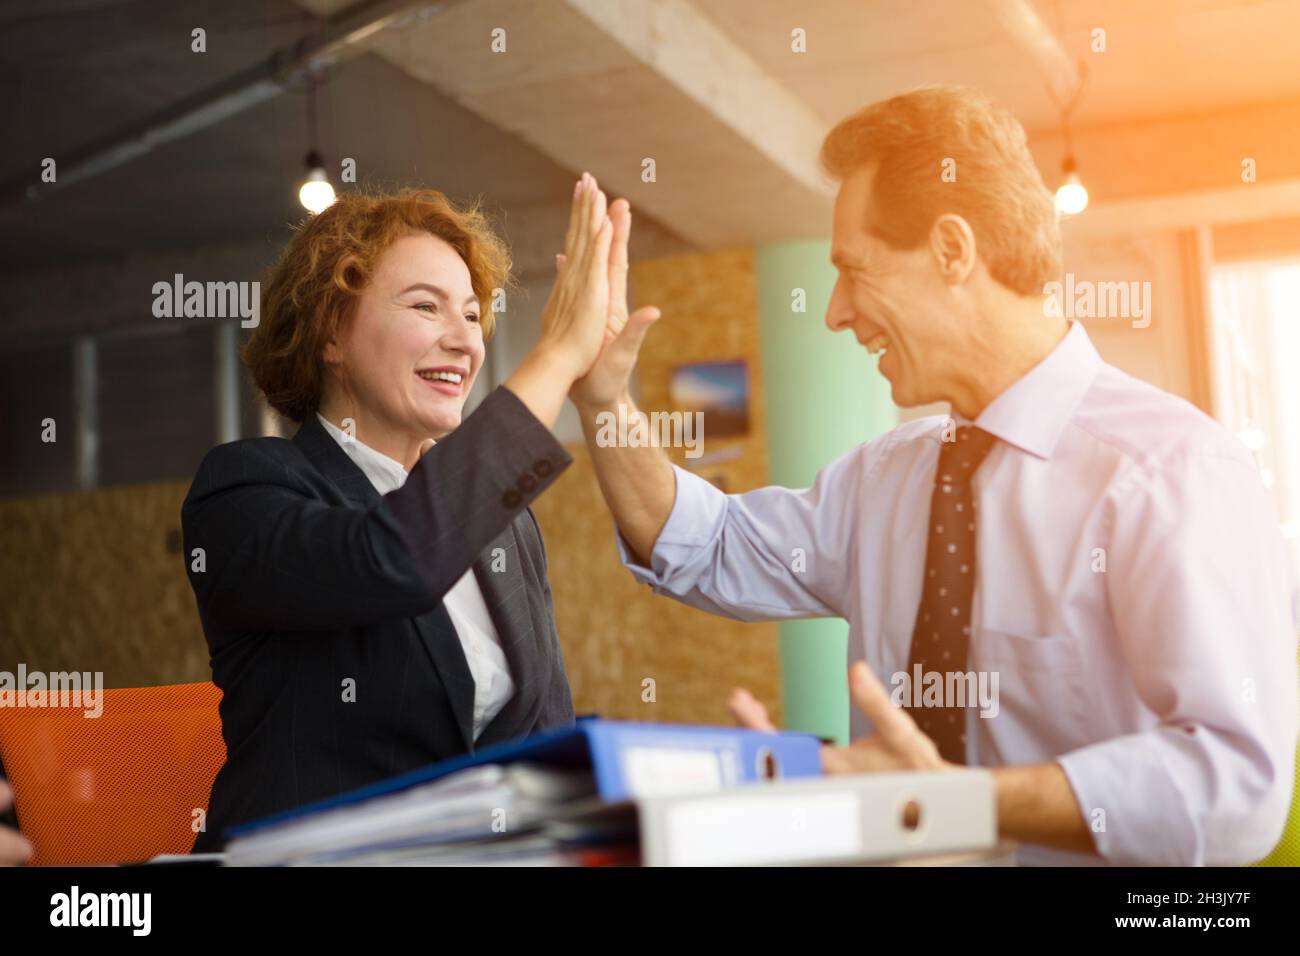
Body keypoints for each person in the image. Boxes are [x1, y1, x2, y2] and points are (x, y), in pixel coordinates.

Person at [571, 86, 1299, 865]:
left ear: (953, 250)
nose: (836, 312)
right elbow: (702, 545)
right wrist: (604, 398)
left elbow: (1236, 788)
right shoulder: (885, 477)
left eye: (854, 269)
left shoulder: (1172, 471)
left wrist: (956, 805)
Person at [184, 174, 631, 851]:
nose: (464, 341)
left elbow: (547, 734)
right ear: (331, 333)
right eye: (427, 308)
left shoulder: (503, 522)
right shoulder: (244, 488)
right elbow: (393, 557)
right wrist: (558, 354)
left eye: (474, 316)